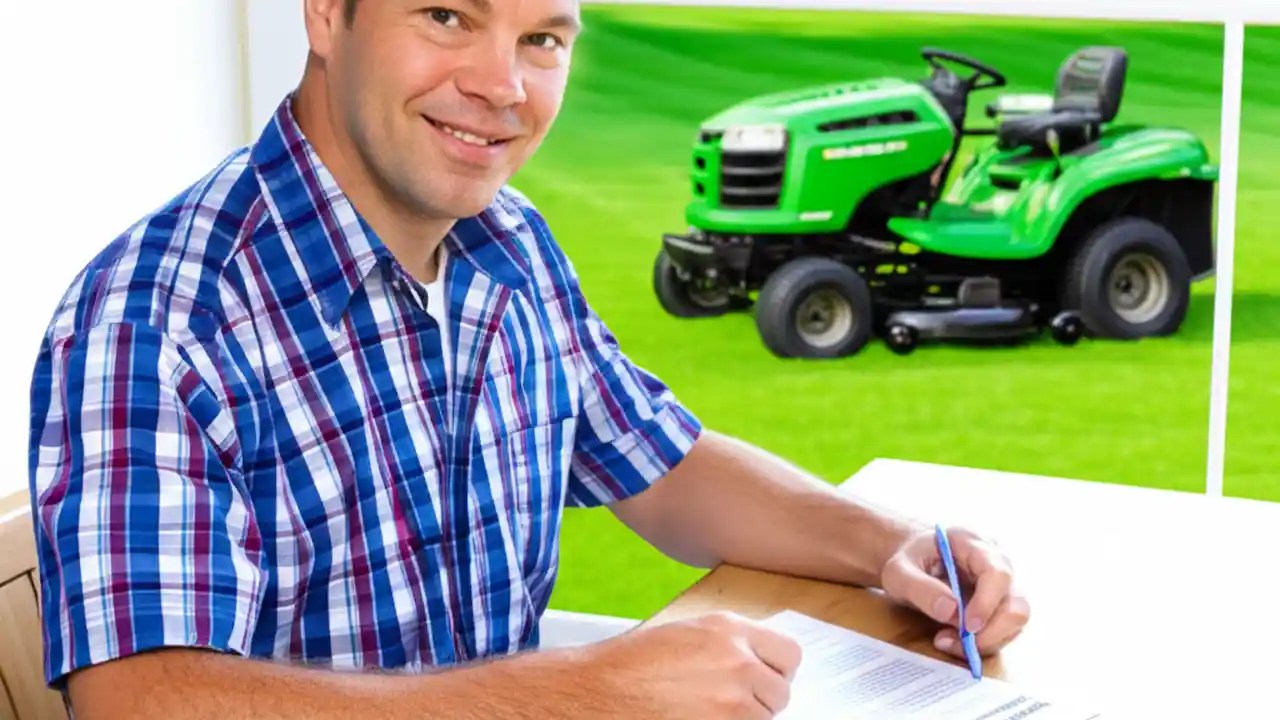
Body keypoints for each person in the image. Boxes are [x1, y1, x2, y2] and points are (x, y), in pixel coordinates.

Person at [26, 1, 1029, 717]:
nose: (500, 87)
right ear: (326, 13)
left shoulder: (507, 244)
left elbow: (658, 462)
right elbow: (141, 700)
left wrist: (891, 544)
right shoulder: (154, 319)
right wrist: (585, 690)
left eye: (540, 37)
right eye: (447, 17)